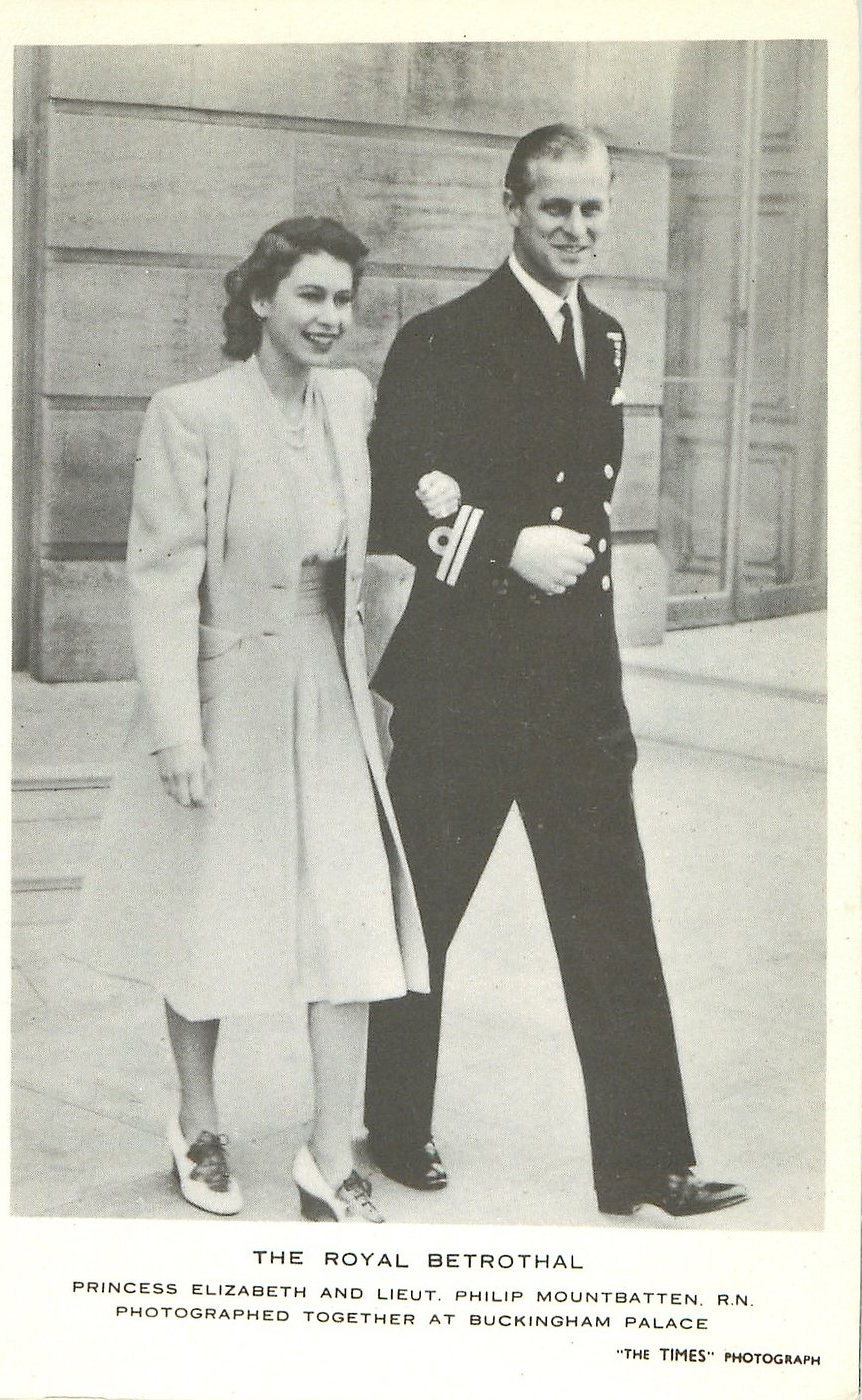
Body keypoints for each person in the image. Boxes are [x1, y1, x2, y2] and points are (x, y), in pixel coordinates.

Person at [363, 125, 747, 1219]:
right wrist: (502, 548)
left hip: (575, 686)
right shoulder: (444, 337)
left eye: (591, 210)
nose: (576, 229)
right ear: (512, 207)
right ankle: (394, 1121)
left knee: (612, 910)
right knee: (422, 905)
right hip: (466, 681)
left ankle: (647, 1164)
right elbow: (403, 492)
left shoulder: (611, 338)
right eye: (554, 209)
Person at [73, 217, 428, 1223]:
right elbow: (161, 578)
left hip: (329, 681)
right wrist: (177, 731)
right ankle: (197, 1121)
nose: (330, 318)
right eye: (311, 296)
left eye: (343, 300)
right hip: (227, 688)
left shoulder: (351, 400)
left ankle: (329, 1151)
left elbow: (384, 516)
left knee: (354, 917)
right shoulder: (192, 413)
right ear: (262, 298)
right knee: (209, 915)